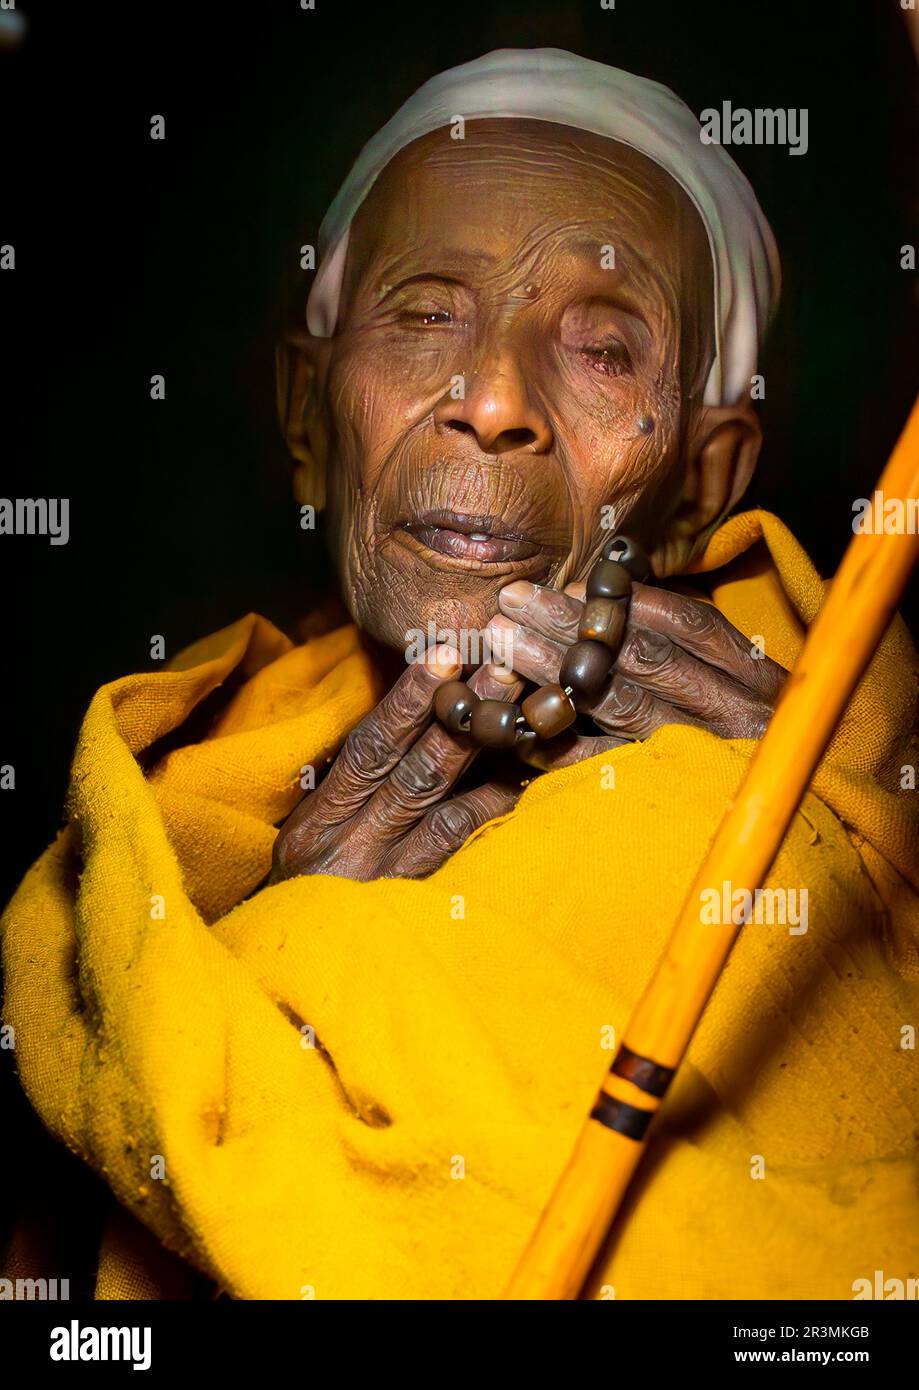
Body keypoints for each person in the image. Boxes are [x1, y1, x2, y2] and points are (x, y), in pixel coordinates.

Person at [2, 50, 917, 1301]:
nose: (490, 399)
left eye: (602, 347)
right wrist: (281, 970)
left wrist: (859, 854)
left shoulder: (820, 766)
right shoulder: (171, 818)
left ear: (705, 480)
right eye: (425, 312)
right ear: (309, 418)